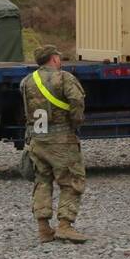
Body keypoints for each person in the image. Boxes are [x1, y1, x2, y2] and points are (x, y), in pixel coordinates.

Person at [20, 45, 88, 243]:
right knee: (71, 180)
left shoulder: (27, 81)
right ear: (53, 59)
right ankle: (65, 226)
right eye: (58, 57)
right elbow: (76, 100)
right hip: (61, 139)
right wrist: (76, 122)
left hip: (37, 139)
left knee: (42, 181)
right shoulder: (64, 78)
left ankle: (44, 229)